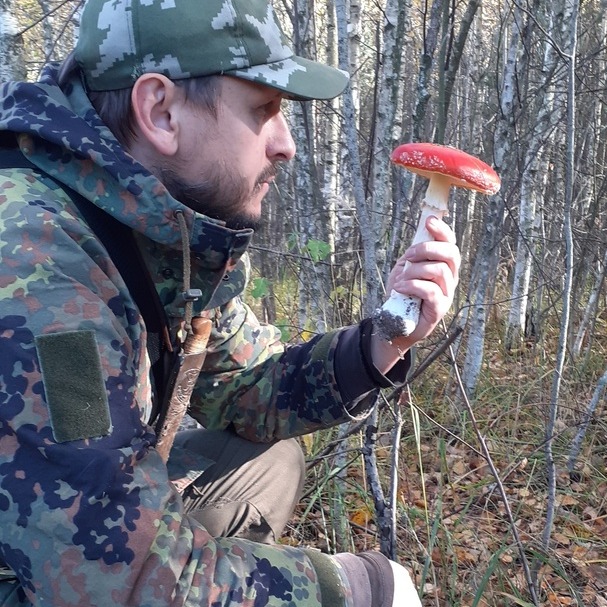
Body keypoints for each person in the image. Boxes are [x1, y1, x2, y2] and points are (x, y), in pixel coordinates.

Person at [0, 0, 460, 605]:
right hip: (34, 570)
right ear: (161, 111)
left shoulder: (155, 230)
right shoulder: (40, 271)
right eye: (264, 111)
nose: (286, 144)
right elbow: (107, 582)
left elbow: (246, 383)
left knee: (268, 460)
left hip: (63, 536)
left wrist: (386, 338)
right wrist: (357, 588)